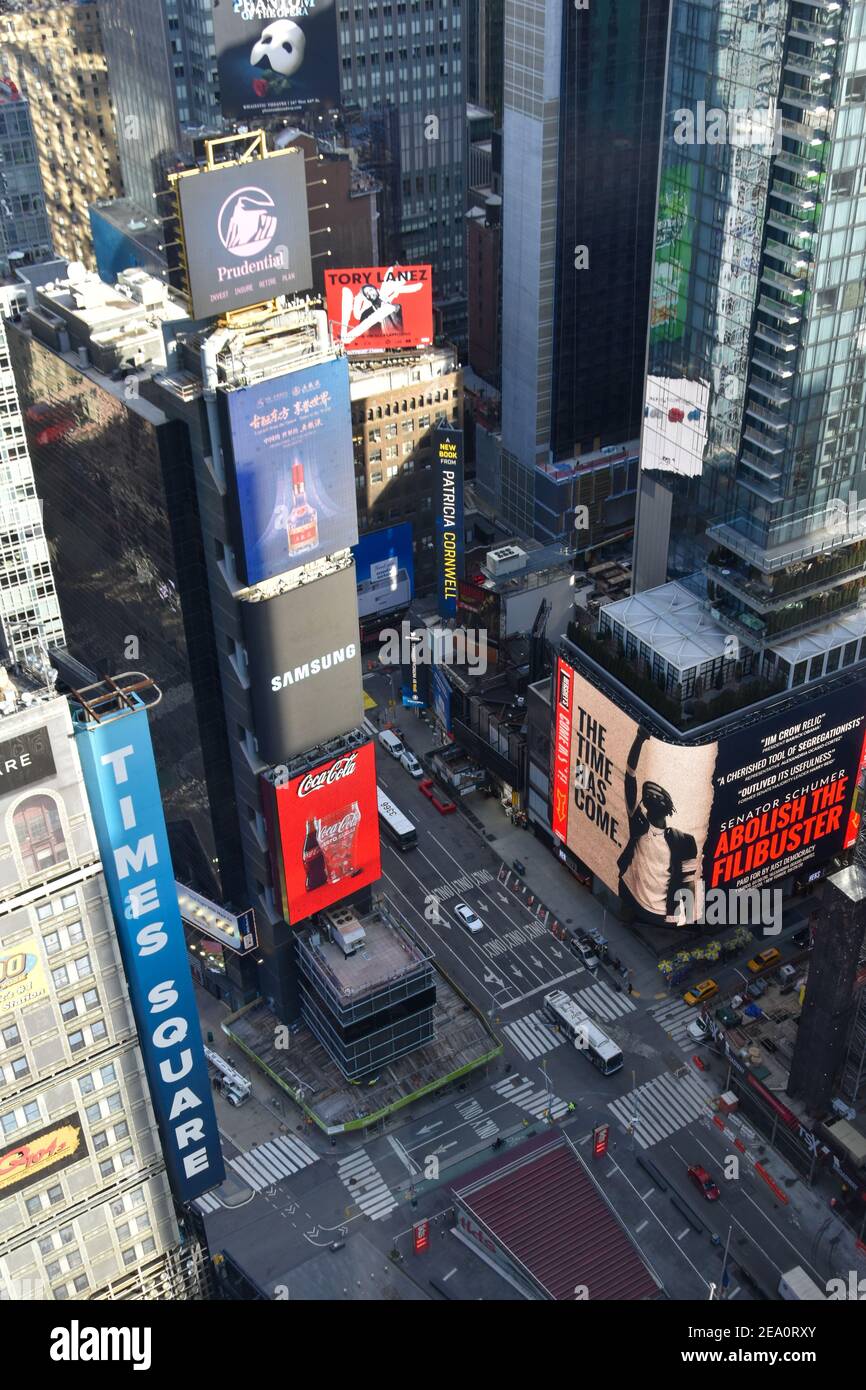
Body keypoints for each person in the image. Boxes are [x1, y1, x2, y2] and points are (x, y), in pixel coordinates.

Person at [617, 728, 698, 927]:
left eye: (657, 798)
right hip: (629, 891)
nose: (652, 799)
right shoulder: (638, 821)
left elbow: (688, 881)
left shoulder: (684, 841)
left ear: (668, 808)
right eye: (649, 796)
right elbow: (629, 774)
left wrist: (685, 918)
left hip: (660, 910)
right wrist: (638, 739)